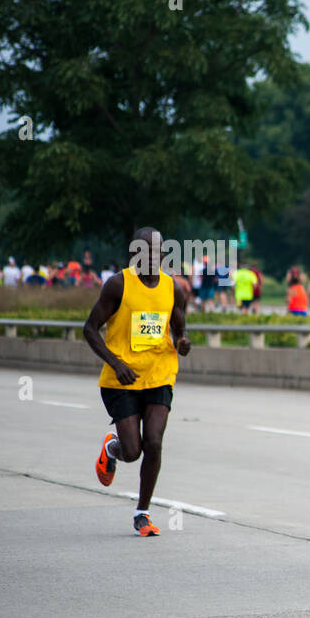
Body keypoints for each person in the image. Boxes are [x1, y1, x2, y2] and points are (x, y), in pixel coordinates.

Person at [84, 227, 191, 536]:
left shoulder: (173, 288)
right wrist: (116, 364)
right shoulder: (117, 285)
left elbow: (179, 327)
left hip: (159, 373)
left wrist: (182, 341)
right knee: (133, 451)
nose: (153, 257)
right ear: (135, 254)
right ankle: (113, 449)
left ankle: (142, 513)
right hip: (122, 378)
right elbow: (90, 329)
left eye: (158, 252)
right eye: (145, 252)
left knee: (154, 442)